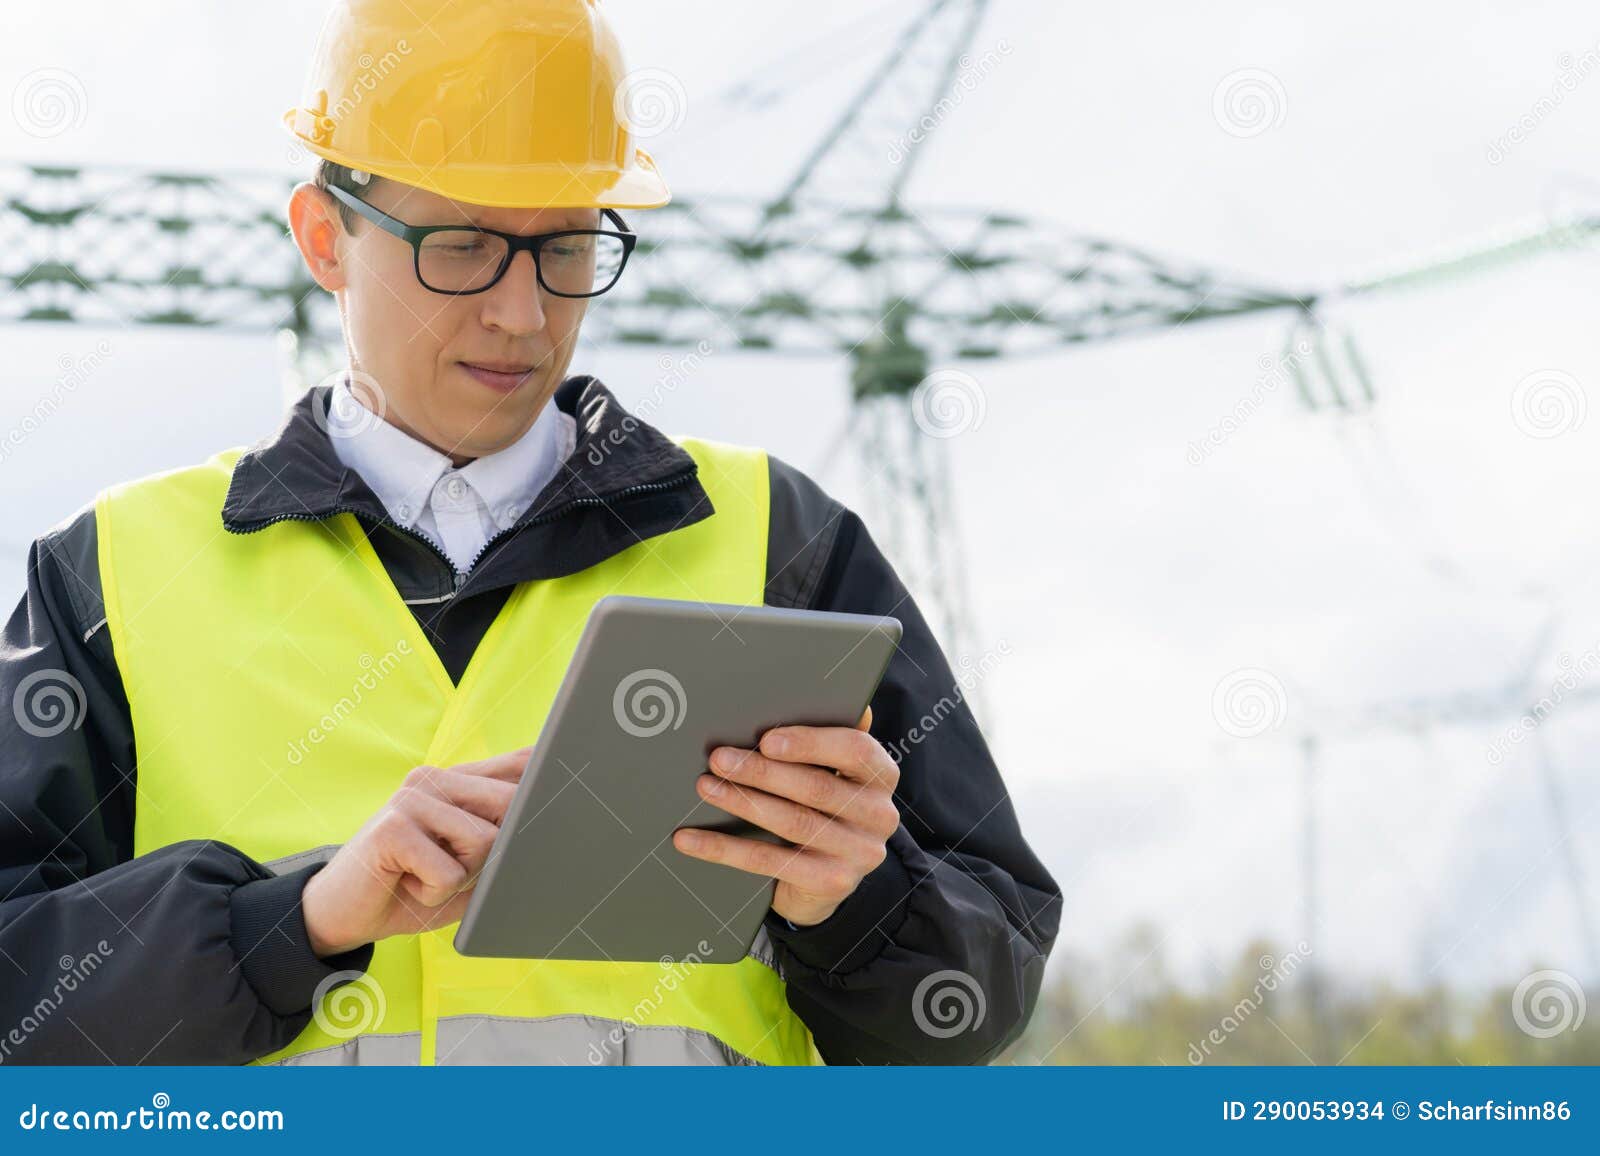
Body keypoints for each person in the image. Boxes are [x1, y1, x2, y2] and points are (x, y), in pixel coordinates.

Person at [0, 0, 1059, 1066]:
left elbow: (975, 1003)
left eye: (565, 246)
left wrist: (858, 902)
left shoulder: (786, 543)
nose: (522, 313)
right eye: (460, 247)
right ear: (325, 238)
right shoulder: (114, 577)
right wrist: (290, 926)